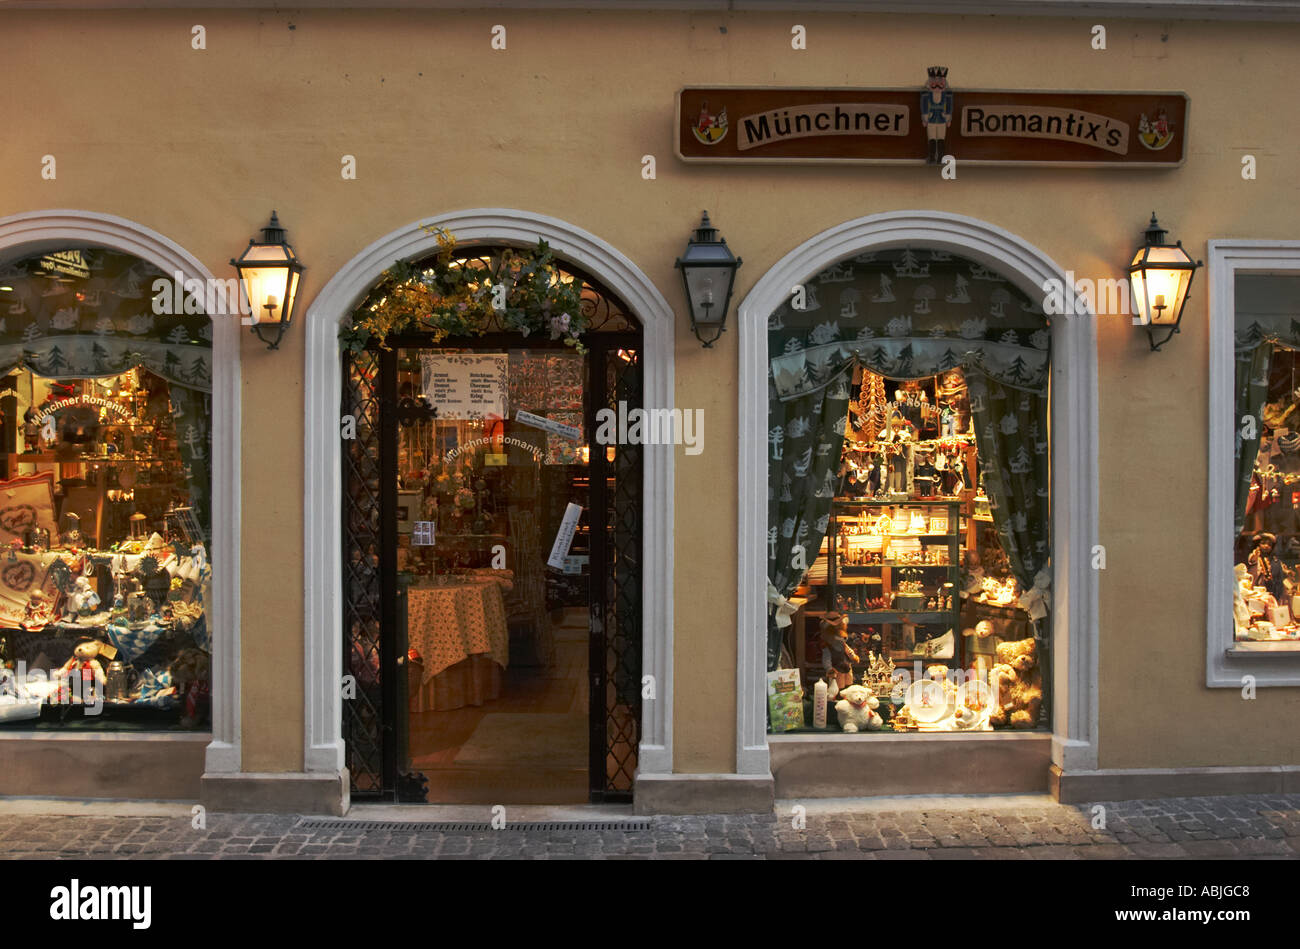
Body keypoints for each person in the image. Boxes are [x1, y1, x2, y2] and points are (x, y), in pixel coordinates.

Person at [1248, 532, 1290, 601]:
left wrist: (1287, 572)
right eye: (1263, 543)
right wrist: (1255, 554)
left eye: (1269, 544)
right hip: (1258, 590)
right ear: (1258, 545)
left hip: (1273, 590)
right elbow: (1252, 559)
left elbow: (1281, 571)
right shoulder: (1255, 557)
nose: (1266, 546)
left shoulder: (1275, 560)